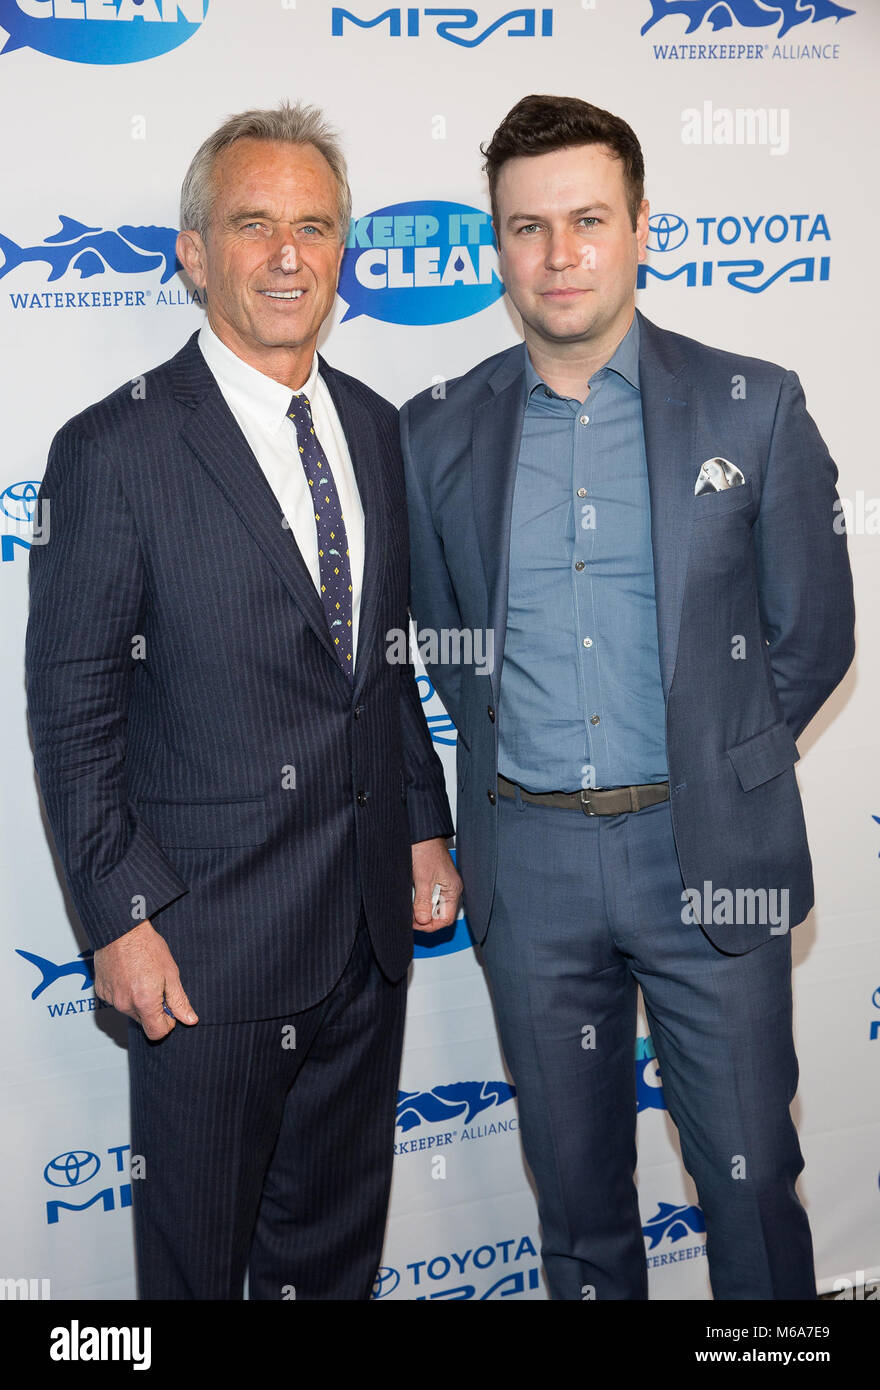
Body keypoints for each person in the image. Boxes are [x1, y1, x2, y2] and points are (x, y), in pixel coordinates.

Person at [400, 93, 854, 1301]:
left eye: (588, 219)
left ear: (642, 226)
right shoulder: (433, 433)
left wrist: (718, 759)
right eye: (528, 227)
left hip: (708, 857)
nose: (560, 254)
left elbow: (812, 633)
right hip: (529, 867)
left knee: (751, 1188)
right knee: (578, 1206)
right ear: (497, 246)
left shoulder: (753, 405)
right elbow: (435, 649)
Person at [25, 100, 461, 1301]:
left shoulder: (375, 428)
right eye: (253, 223)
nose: (286, 254)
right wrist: (118, 919)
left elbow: (382, 663)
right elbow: (71, 707)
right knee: (199, 1274)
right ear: (194, 251)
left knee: (330, 1261)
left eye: (313, 227)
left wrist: (423, 821)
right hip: (199, 954)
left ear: (341, 253)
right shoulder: (112, 449)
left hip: (363, 936)